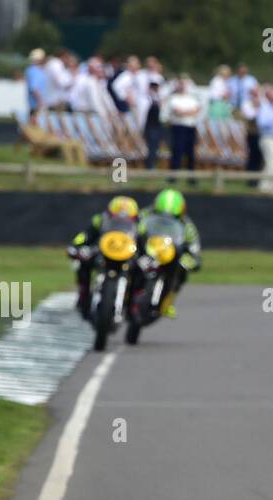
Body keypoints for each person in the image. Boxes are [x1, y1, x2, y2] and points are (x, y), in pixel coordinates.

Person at [67, 196, 141, 321]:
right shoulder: (100, 221)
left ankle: (134, 304)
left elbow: (145, 245)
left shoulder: (139, 226)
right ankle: (83, 294)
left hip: (128, 257)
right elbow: (85, 236)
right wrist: (76, 247)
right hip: (102, 253)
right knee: (83, 264)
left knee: (142, 271)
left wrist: (147, 256)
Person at [138, 189, 201, 320]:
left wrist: (192, 260)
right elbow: (132, 228)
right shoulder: (144, 214)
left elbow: (194, 248)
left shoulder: (187, 225)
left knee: (181, 272)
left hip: (170, 255)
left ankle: (168, 300)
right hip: (146, 250)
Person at [166, 77, 200, 180]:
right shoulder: (174, 98)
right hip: (178, 127)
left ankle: (191, 177)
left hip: (190, 127)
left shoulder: (192, 98)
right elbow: (178, 111)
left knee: (190, 153)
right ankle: (173, 176)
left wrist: (185, 112)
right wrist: (188, 112)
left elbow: (196, 110)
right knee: (177, 151)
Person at [25, 49, 48, 117]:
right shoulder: (34, 70)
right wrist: (40, 102)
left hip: (37, 105)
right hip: (36, 106)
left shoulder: (36, 70)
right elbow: (34, 88)